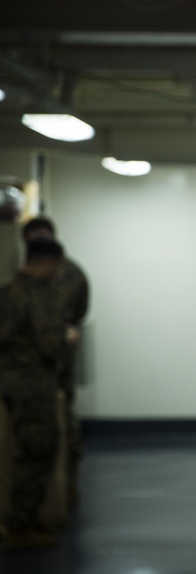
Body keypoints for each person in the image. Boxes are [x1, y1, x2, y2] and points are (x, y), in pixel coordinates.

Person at [0, 239, 80, 550]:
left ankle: (19, 519)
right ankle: (20, 525)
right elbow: (51, 343)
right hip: (33, 385)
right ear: (48, 262)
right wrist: (68, 342)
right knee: (38, 451)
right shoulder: (37, 296)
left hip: (8, 383)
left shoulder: (6, 292)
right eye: (57, 267)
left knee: (17, 450)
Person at [20, 217, 89, 507]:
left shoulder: (69, 275)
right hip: (28, 374)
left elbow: (70, 314)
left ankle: (65, 487)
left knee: (62, 426)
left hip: (54, 367)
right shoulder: (21, 290)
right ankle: (29, 514)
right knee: (35, 439)